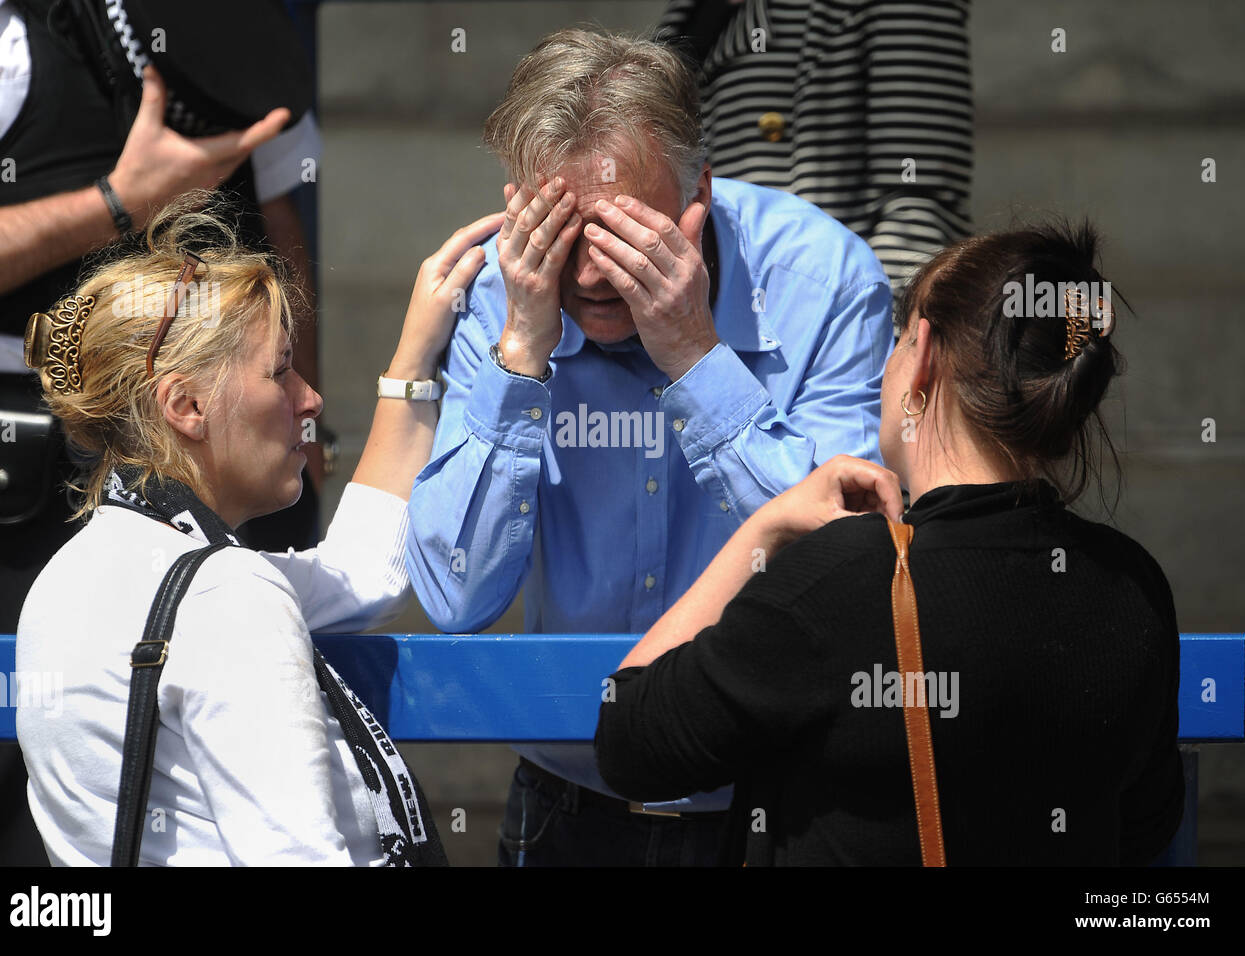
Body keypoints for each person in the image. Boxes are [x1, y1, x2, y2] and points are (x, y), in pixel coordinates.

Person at [404, 27, 895, 866]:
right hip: (570, 804)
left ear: (699, 190)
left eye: (625, 237)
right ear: (519, 202)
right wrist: (522, 348)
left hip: (778, 806)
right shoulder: (504, 289)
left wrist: (698, 357)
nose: (592, 277)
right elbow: (455, 597)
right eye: (563, 231)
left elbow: (854, 568)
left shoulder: (826, 281)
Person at [595, 221, 1185, 865]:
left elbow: (629, 740)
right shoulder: (1133, 585)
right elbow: (1145, 825)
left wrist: (763, 531)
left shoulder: (846, 581)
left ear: (924, 357)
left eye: (899, 339)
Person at [16, 197, 501, 865]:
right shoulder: (226, 592)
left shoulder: (64, 580)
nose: (311, 398)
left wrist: (412, 367)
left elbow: (364, 573)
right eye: (279, 371)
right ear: (185, 406)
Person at [0, 0, 324, 864]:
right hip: (12, 502)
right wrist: (119, 204)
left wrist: (308, 433)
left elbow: (279, 232)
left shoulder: (243, 27)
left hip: (220, 474)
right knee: (9, 815)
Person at [655, 0, 974, 299]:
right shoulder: (690, 11)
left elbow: (919, 208)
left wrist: (869, 339)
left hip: (822, 327)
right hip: (711, 319)